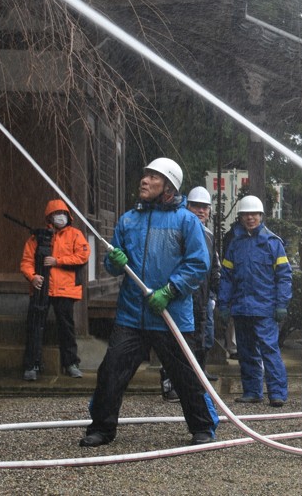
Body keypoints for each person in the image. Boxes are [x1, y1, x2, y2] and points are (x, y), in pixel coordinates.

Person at [80, 157, 216, 447]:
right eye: (145, 175)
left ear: (168, 186)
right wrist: (114, 261)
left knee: (186, 375)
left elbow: (198, 263)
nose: (145, 180)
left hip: (173, 314)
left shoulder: (186, 220)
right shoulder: (129, 219)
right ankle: (102, 428)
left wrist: (170, 290)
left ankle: (203, 427)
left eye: (154, 177)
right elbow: (113, 264)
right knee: (111, 370)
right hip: (132, 314)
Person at [217, 194, 293, 407]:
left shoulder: (272, 243)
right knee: (246, 351)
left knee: (269, 350)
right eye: (246, 214)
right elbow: (227, 276)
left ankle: (277, 393)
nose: (250, 218)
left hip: (265, 308)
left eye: (254, 214)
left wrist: (281, 304)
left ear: (261, 216)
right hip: (241, 308)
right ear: (240, 217)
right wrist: (223, 304)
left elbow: (284, 276)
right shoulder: (235, 244)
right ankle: (252, 391)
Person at [160, 186, 222, 401]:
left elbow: (214, 267)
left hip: (203, 298)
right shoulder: (178, 230)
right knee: (177, 341)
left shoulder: (209, 235)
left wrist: (215, 294)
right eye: (196, 206)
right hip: (181, 295)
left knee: (202, 340)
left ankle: (196, 379)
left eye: (205, 207)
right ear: (187, 206)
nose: (201, 211)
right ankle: (170, 384)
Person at [20, 199, 91, 381]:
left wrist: (57, 261)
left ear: (68, 216)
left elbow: (82, 255)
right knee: (35, 326)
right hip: (41, 288)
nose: (60, 217)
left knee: (66, 327)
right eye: (56, 214)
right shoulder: (38, 237)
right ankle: (31, 364)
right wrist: (32, 276)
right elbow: (26, 261)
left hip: (65, 289)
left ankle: (71, 363)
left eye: (63, 213)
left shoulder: (75, 235)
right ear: (49, 217)